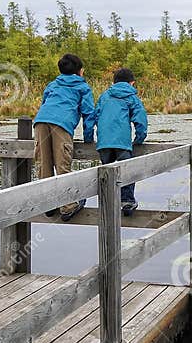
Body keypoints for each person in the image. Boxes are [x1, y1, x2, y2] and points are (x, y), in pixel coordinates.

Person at [33, 53, 95, 221]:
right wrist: (88, 137)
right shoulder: (82, 87)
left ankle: (48, 204)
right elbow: (89, 113)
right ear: (79, 72)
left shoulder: (53, 84)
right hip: (61, 124)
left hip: (41, 121)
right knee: (63, 165)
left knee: (43, 165)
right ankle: (68, 206)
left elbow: (44, 103)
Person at [94, 67, 148, 216]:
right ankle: (127, 201)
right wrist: (139, 139)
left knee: (106, 172)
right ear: (132, 83)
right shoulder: (131, 97)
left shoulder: (104, 96)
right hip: (122, 142)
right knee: (127, 172)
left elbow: (95, 116)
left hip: (104, 142)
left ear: (114, 82)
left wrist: (90, 136)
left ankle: (108, 202)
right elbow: (140, 120)